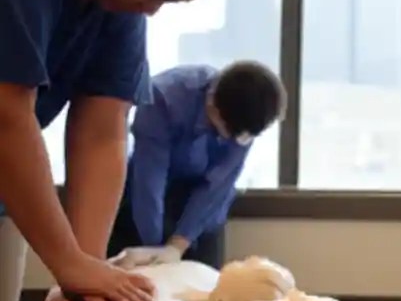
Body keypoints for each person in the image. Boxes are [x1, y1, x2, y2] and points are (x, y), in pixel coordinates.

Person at [0, 0, 230, 301]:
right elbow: (6, 112)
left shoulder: (120, 3)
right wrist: (66, 261)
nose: (151, 10)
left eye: (168, 4)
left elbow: (102, 133)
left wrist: (84, 268)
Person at [105, 61, 286, 271]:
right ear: (213, 108)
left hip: (201, 210)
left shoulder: (248, 115)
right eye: (230, 132)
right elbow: (149, 182)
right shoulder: (164, 98)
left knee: (204, 289)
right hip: (144, 200)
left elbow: (216, 186)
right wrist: (153, 250)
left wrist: (177, 247)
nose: (236, 140)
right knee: (135, 282)